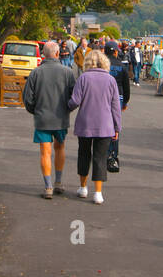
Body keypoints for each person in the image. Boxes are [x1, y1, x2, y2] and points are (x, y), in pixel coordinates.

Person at [22, 41, 78, 199]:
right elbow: (75, 96)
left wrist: (35, 110)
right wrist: (67, 108)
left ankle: (48, 187)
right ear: (58, 53)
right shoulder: (67, 72)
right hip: (60, 118)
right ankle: (59, 182)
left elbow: (27, 98)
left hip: (42, 118)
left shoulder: (36, 73)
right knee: (60, 149)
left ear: (43, 54)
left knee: (45, 152)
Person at [68, 50, 122, 204]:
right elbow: (115, 107)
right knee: (100, 157)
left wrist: (66, 106)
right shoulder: (110, 80)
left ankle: (83, 187)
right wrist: (117, 127)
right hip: (105, 125)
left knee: (84, 155)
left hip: (85, 124)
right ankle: (98, 192)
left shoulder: (83, 78)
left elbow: (75, 101)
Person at [104, 42, 131, 171]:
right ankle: (113, 154)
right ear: (115, 51)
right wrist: (125, 101)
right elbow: (126, 86)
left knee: (103, 124)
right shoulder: (121, 65)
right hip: (118, 96)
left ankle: (102, 151)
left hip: (103, 96)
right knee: (115, 126)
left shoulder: (102, 65)